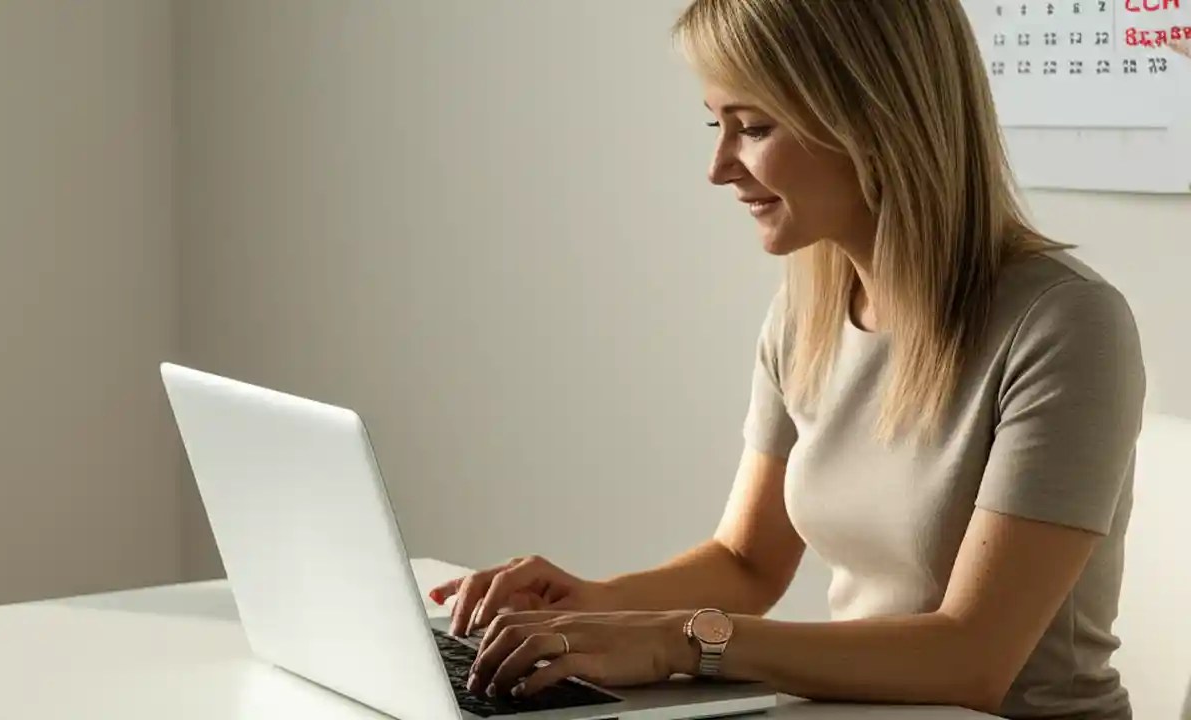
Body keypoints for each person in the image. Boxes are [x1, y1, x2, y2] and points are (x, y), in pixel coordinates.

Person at [431, 1, 1146, 718]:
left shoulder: (1066, 325)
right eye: (719, 124)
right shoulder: (806, 313)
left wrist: (683, 640)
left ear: (874, 117)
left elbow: (972, 660)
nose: (719, 168)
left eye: (754, 127)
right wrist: (587, 606)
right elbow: (747, 564)